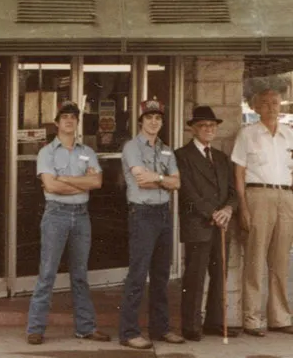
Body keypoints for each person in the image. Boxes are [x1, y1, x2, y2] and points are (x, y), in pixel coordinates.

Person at [26, 101, 111, 346]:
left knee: (80, 274)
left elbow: (97, 182)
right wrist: (80, 181)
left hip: (81, 215)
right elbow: (51, 186)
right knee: (47, 272)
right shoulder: (47, 152)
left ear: (77, 121)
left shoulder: (88, 151)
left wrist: (65, 178)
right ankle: (35, 328)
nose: (69, 121)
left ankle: (85, 328)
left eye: (73, 117)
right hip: (56, 214)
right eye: (64, 117)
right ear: (57, 122)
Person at [118, 99, 185, 349]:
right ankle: (128, 332)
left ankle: (160, 328)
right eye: (149, 117)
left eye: (158, 118)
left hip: (163, 213)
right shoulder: (132, 147)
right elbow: (141, 180)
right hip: (143, 213)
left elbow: (177, 183)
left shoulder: (166, 149)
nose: (154, 121)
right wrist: (163, 179)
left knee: (161, 274)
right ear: (141, 121)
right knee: (138, 274)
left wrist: (157, 177)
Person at [175, 105, 241, 341]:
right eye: (203, 126)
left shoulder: (222, 158)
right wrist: (211, 213)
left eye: (212, 126)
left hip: (221, 224)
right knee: (195, 276)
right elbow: (188, 193)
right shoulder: (182, 156)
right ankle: (191, 325)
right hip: (198, 224)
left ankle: (215, 321)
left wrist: (227, 209)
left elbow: (233, 192)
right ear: (193, 129)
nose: (208, 129)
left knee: (219, 274)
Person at [232, 89, 293, 336]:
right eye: (265, 103)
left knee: (280, 260)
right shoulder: (247, 134)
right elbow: (239, 173)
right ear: (256, 107)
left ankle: (280, 317)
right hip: (258, 196)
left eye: (275, 103)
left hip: (286, 196)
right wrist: (243, 206)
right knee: (255, 259)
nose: (271, 107)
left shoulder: (289, 134)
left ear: (282, 105)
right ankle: (252, 319)